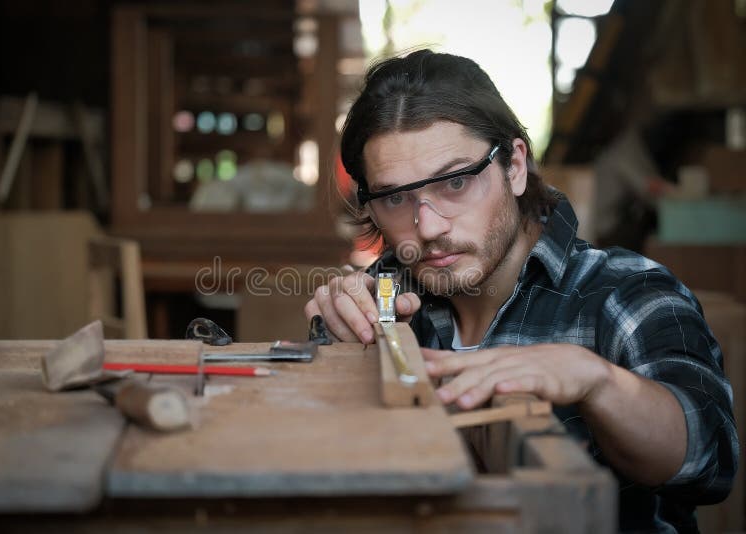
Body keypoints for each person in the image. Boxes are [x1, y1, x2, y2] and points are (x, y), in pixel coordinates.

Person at [304, 49, 737, 532]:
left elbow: (709, 459)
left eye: (455, 182)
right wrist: (339, 348)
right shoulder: (382, 298)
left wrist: (598, 382)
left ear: (514, 166)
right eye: (396, 197)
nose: (426, 226)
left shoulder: (626, 294)